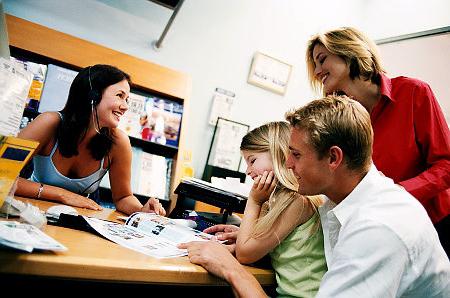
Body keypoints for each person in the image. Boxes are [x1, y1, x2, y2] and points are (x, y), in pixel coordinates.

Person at [179, 95, 450, 297]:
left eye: (295, 155)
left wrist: (231, 269)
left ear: (333, 157)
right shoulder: (341, 199)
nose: (287, 164)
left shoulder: (377, 227)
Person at [305, 27, 450, 255]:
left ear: (349, 51)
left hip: (435, 224)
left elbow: (447, 165)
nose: (317, 71)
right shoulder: (341, 119)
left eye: (321, 60)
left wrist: (396, 192)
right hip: (381, 229)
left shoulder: (413, 92)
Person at [16, 64, 166, 216]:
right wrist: (61, 194)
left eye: (127, 99)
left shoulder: (118, 141)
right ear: (93, 95)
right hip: (31, 213)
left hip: (74, 220)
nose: (126, 107)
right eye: (120, 96)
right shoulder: (49, 122)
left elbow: (123, 197)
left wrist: (142, 211)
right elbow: (2, 174)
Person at [210, 121, 326, 297]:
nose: (248, 171)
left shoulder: (297, 202)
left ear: (278, 154)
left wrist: (254, 201)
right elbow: (260, 243)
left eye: (252, 161)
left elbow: (245, 254)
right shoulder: (281, 198)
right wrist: (243, 233)